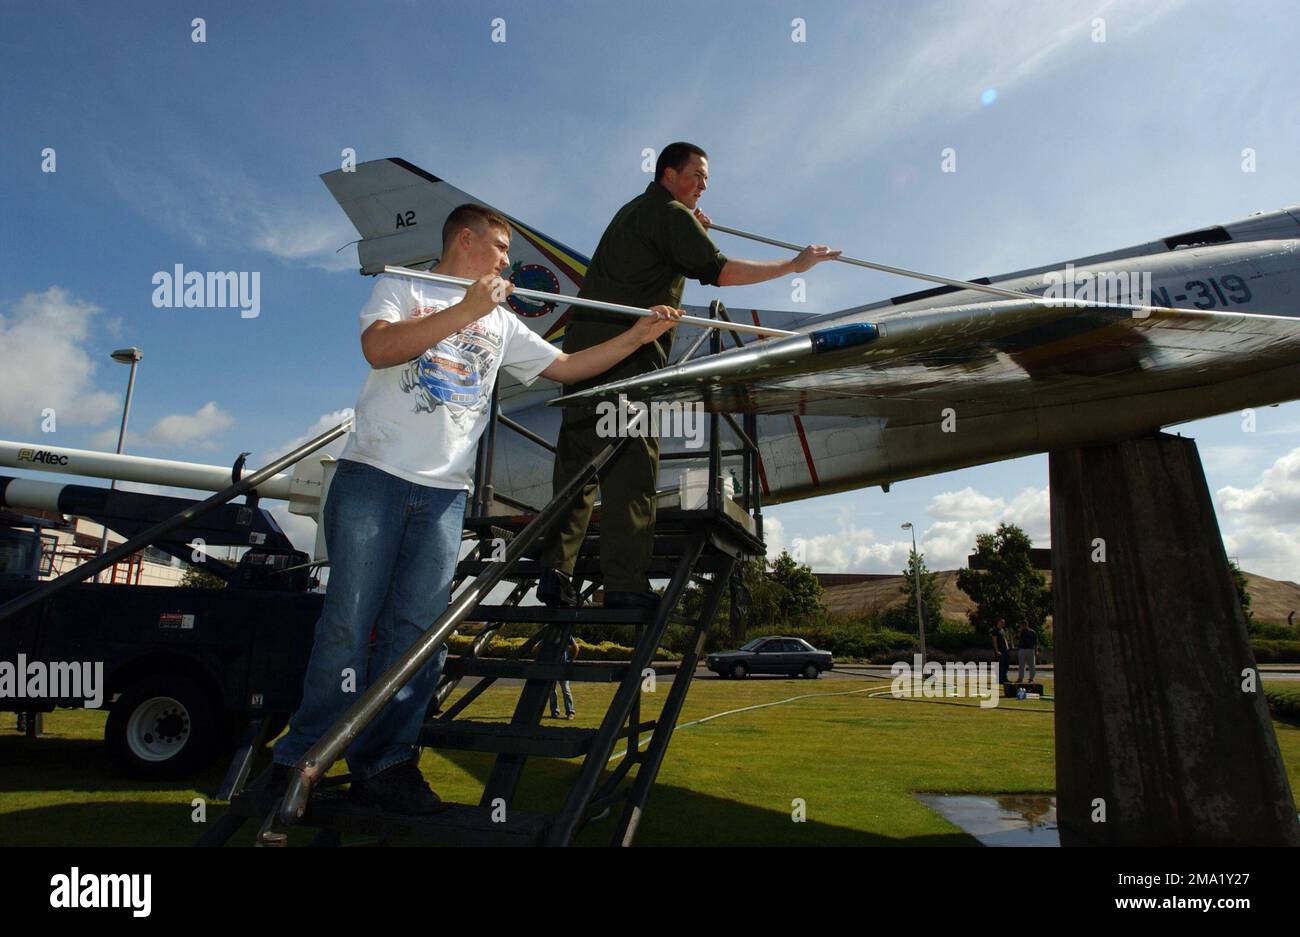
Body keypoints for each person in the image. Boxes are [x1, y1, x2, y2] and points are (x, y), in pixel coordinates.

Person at [268, 203, 683, 814]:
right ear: (465, 240)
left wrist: (635, 336)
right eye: (499, 248)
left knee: (419, 636)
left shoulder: (504, 322)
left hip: (444, 495)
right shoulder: (404, 285)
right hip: (373, 478)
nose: (506, 262)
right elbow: (379, 350)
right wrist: (465, 310)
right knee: (348, 624)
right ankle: (295, 761)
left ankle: (385, 765)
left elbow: (566, 368)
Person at [536, 142, 841, 610]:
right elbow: (721, 272)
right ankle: (626, 588)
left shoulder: (635, 213)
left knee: (578, 468)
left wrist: (689, 231)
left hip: (583, 355)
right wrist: (793, 266)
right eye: (697, 175)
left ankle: (555, 574)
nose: (704, 184)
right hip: (628, 359)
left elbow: (654, 261)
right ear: (669, 174)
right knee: (633, 472)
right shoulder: (669, 215)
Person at [549, 636, 579, 720]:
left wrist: (571, 660)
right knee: (553, 690)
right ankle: (555, 712)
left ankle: (569, 712)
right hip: (553, 666)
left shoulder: (566, 635)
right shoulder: (550, 633)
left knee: (564, 689)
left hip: (562, 666)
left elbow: (575, 647)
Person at [990, 618, 1011, 685]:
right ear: (998, 622)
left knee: (1006, 665)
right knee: (1000, 666)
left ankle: (1004, 678)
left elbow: (1005, 639)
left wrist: (1007, 647)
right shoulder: (995, 630)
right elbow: (994, 641)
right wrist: (997, 651)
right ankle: (999, 679)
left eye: (1003, 622)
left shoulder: (1002, 630)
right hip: (1000, 650)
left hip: (1005, 650)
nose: (1003, 623)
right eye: (1002, 622)